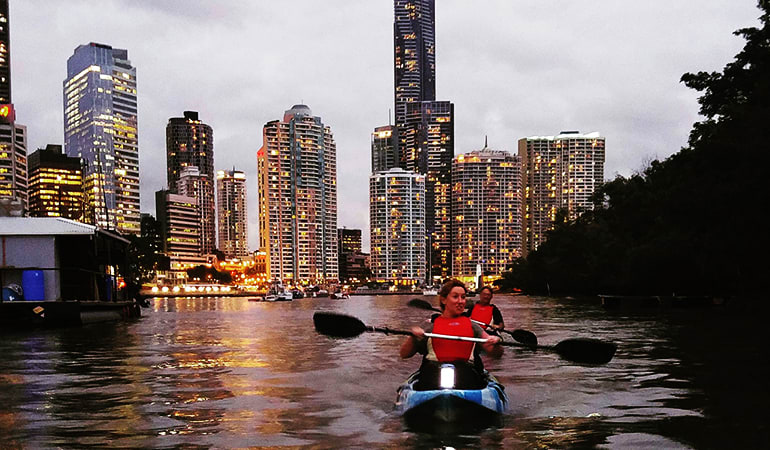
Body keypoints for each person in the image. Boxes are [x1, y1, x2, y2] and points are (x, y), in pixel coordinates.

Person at [400, 280, 502, 389]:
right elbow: (404, 354)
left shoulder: (473, 326)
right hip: (433, 375)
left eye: (463, 297)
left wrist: (494, 342)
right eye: (455, 297)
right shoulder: (429, 326)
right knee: (430, 371)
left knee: (468, 372)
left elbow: (496, 354)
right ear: (444, 300)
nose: (460, 301)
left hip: (466, 376)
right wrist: (413, 337)